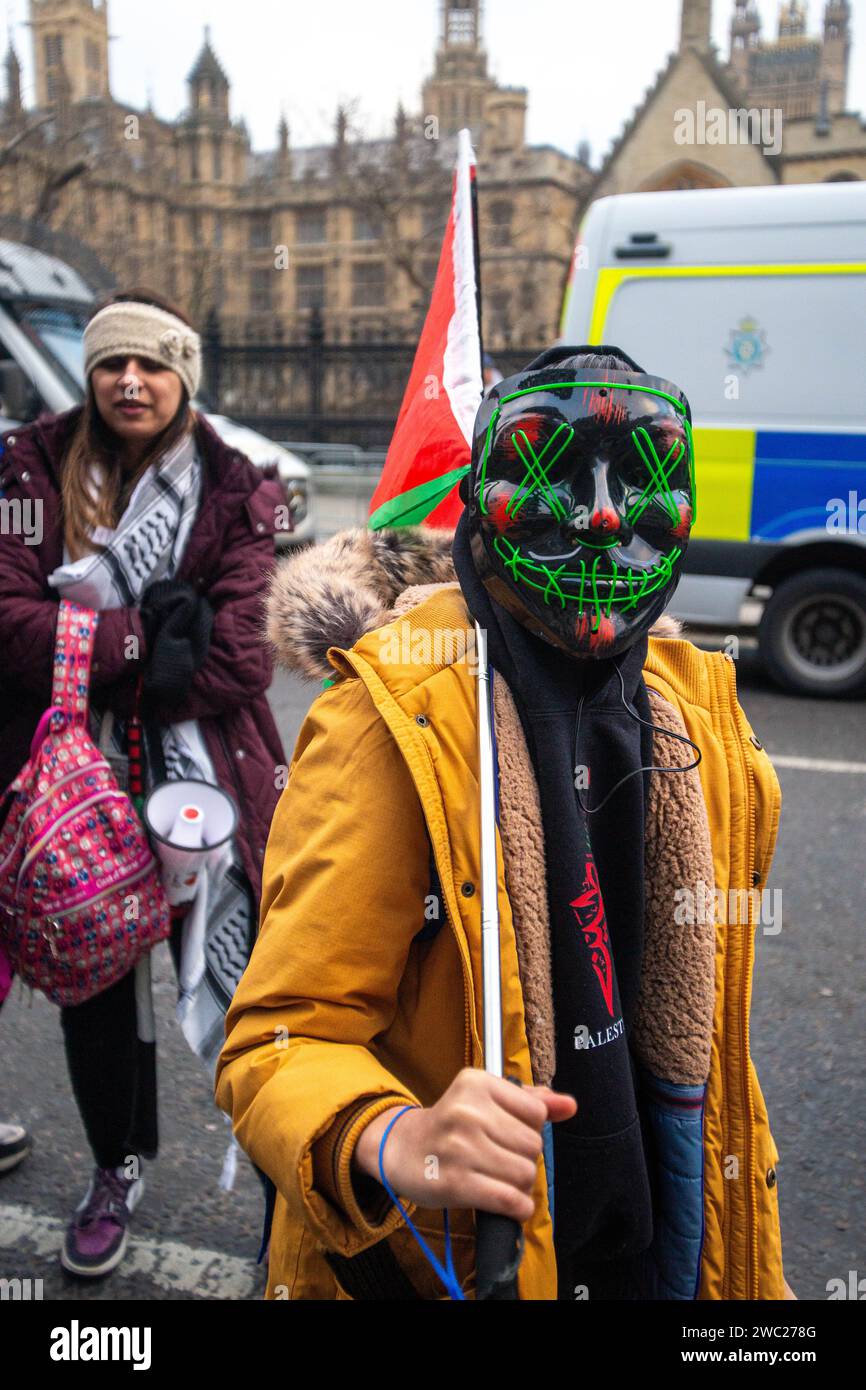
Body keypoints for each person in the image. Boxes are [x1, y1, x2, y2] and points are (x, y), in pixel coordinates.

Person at [217, 345, 793, 1301]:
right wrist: (395, 1137)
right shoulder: (392, 718)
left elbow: (715, 1037)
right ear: (484, 496)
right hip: (451, 1260)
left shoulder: (701, 715)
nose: (605, 512)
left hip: (662, 1243)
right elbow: (279, 1037)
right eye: (553, 465)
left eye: (644, 470)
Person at [0, 289, 285, 1277]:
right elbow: (5, 624)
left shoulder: (237, 483)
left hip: (203, 783)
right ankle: (116, 1166)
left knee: (244, 988)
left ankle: (286, 1187)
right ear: (89, 374)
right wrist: (141, 636)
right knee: (95, 995)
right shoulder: (29, 466)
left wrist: (88, 640)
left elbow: (242, 652)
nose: (130, 379)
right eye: (112, 363)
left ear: (183, 377)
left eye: (152, 364)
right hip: (66, 784)